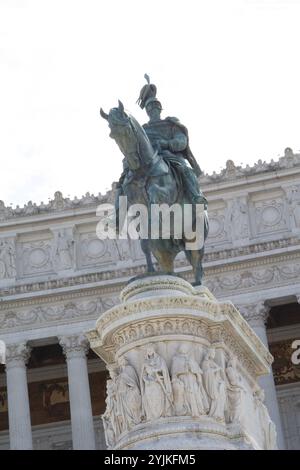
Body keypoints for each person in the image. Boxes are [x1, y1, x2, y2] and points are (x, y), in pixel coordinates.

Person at [137, 74, 207, 207]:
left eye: (156, 107)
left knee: (185, 169)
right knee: (128, 179)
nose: (153, 110)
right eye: (150, 108)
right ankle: (121, 211)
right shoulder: (144, 130)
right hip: (150, 161)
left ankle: (195, 196)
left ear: (160, 108)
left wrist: (167, 144)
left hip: (171, 158)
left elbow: (182, 141)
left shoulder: (171, 123)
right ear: (147, 110)